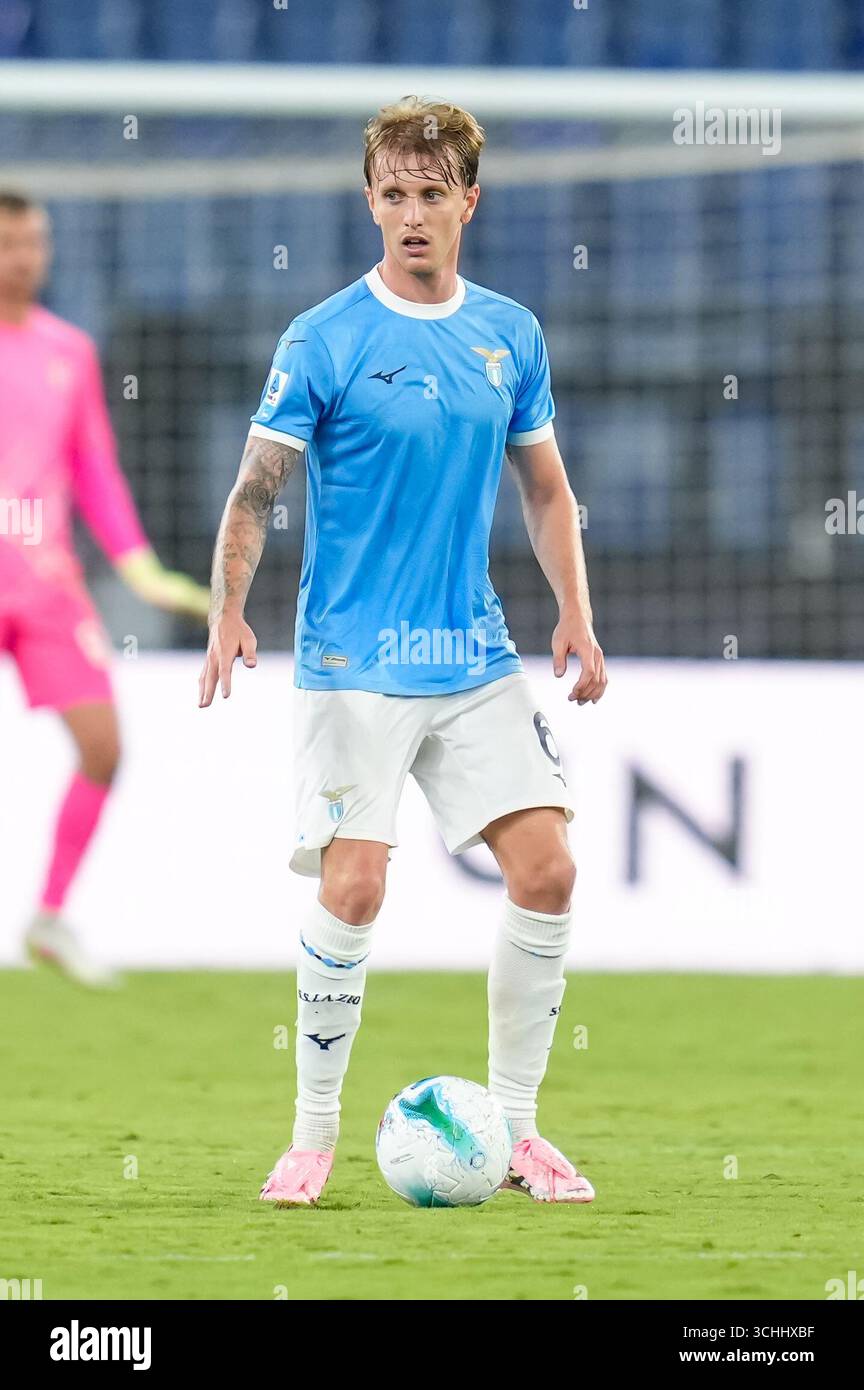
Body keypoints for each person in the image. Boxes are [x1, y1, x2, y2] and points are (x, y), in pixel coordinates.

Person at [199, 98, 607, 1204]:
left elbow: (546, 487)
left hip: (472, 654)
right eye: (393, 194)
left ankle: (520, 1130)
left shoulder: (510, 333)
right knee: (360, 884)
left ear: (469, 200)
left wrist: (575, 610)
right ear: (369, 200)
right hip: (353, 662)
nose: (412, 214)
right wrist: (228, 604)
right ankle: (314, 1133)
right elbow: (255, 488)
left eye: (433, 193)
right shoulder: (324, 335)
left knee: (550, 868)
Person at [0, 191, 210, 986]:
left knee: (103, 746)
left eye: (35, 240)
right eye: (10, 241)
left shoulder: (69, 350)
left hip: (47, 584)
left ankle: (49, 918)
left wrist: (138, 566)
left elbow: (94, 468)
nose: (26, 255)